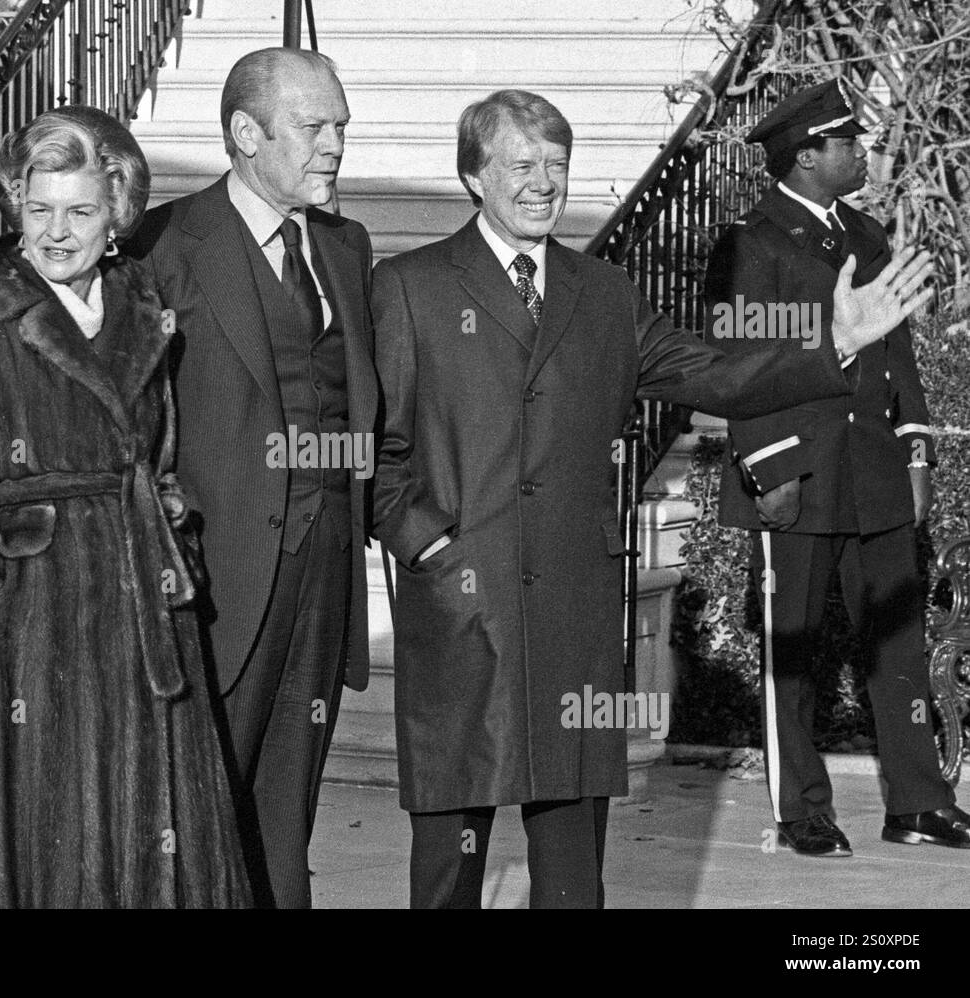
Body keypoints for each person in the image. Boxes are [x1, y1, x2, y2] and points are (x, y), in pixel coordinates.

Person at [371, 88, 936, 908]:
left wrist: (836, 341)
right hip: (463, 607)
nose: (542, 183)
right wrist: (429, 547)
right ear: (473, 176)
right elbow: (375, 455)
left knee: (573, 869)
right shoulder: (409, 287)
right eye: (521, 165)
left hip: (574, 612)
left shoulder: (602, 293)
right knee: (452, 862)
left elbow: (719, 373)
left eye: (557, 166)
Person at [0, 106, 251, 908]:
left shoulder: (142, 304)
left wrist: (175, 544)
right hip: (34, 616)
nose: (56, 232)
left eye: (79, 211)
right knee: (50, 825)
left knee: (155, 823)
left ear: (116, 214)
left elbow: (163, 454)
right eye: (38, 209)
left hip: (144, 592)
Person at [129, 47, 380, 908]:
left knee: (287, 813)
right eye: (315, 127)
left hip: (323, 572)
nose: (335, 146)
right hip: (215, 578)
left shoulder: (347, 246)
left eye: (340, 126)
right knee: (197, 809)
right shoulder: (162, 243)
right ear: (244, 132)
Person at [705, 79, 968, 856]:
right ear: (807, 155)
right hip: (796, 477)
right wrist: (765, 466)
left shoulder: (867, 234)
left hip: (873, 471)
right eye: (847, 143)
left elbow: (897, 352)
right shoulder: (750, 243)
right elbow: (734, 364)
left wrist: (915, 443)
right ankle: (801, 811)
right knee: (794, 646)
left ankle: (918, 803)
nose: (862, 154)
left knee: (899, 646)